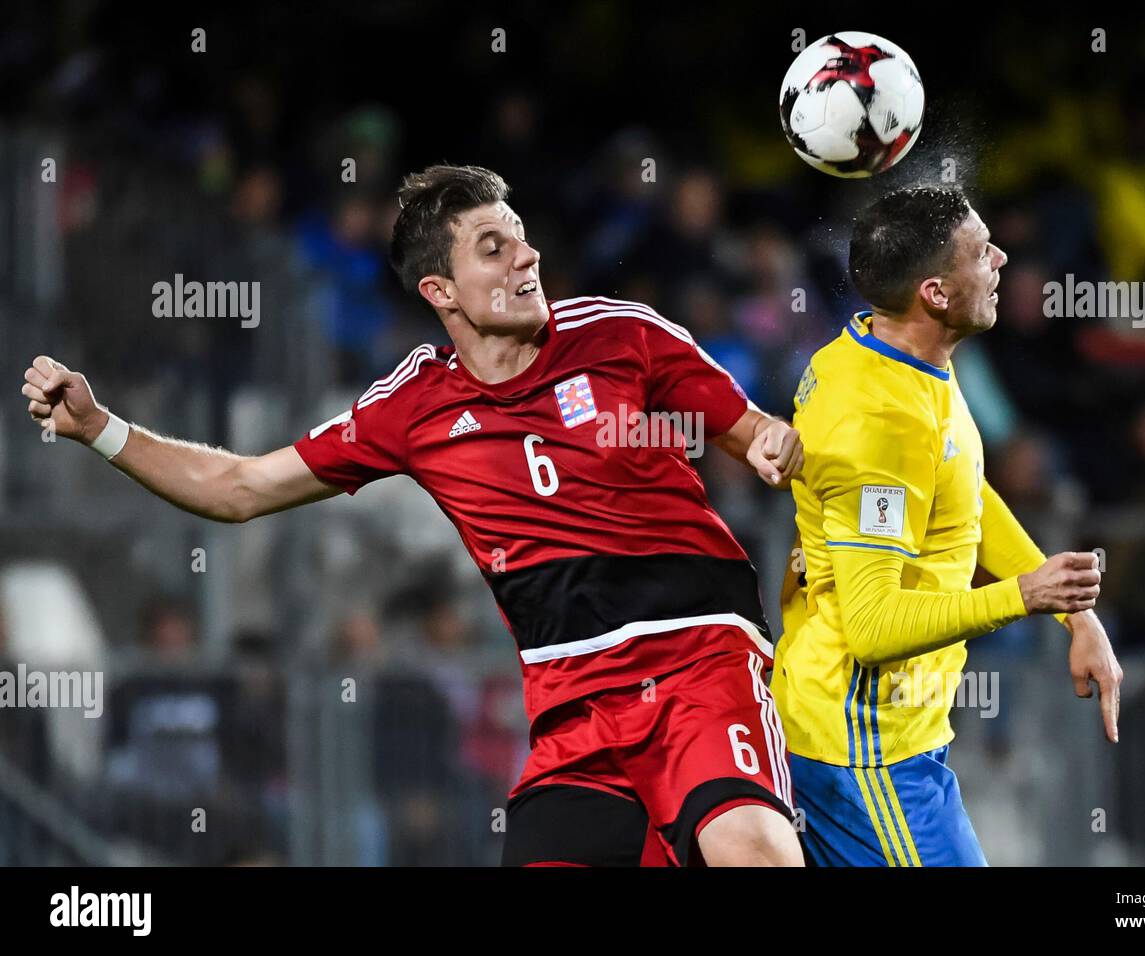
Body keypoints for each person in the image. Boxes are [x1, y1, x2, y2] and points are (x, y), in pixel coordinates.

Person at [21, 164, 804, 867]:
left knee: (749, 851)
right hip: (575, 715)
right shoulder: (413, 407)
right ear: (440, 291)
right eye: (493, 249)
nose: (525, 258)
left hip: (702, 667)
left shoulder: (621, 333)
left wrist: (771, 442)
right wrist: (103, 430)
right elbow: (241, 487)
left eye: (522, 240)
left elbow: (752, 430)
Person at [772, 184, 1123, 867]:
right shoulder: (881, 423)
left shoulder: (894, 356)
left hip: (886, 742)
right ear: (934, 292)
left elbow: (962, 494)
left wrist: (1076, 617)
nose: (999, 258)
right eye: (979, 252)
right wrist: (1025, 597)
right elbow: (873, 627)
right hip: (864, 754)